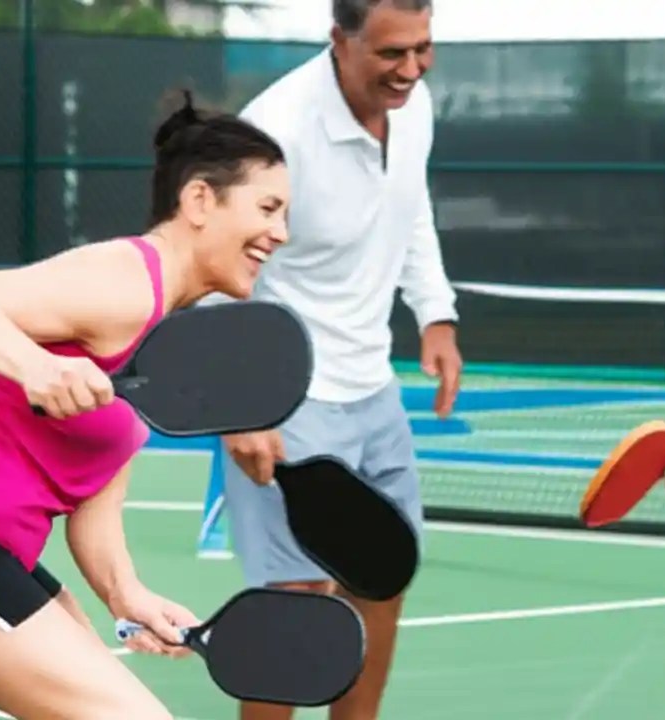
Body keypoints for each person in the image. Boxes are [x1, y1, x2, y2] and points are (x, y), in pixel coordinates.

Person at [0, 91, 290, 718]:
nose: (281, 233)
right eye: (268, 208)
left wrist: (128, 595)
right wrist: (34, 365)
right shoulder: (123, 280)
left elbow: (92, 508)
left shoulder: (167, 342)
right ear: (200, 201)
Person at [213, 1, 461, 718]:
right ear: (339, 42)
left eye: (423, 49)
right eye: (391, 54)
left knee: (381, 583)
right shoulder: (273, 133)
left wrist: (435, 314)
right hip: (288, 395)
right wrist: (243, 403)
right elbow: (214, 266)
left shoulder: (414, 107)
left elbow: (409, 208)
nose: (410, 69)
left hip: (374, 390)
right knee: (294, 606)